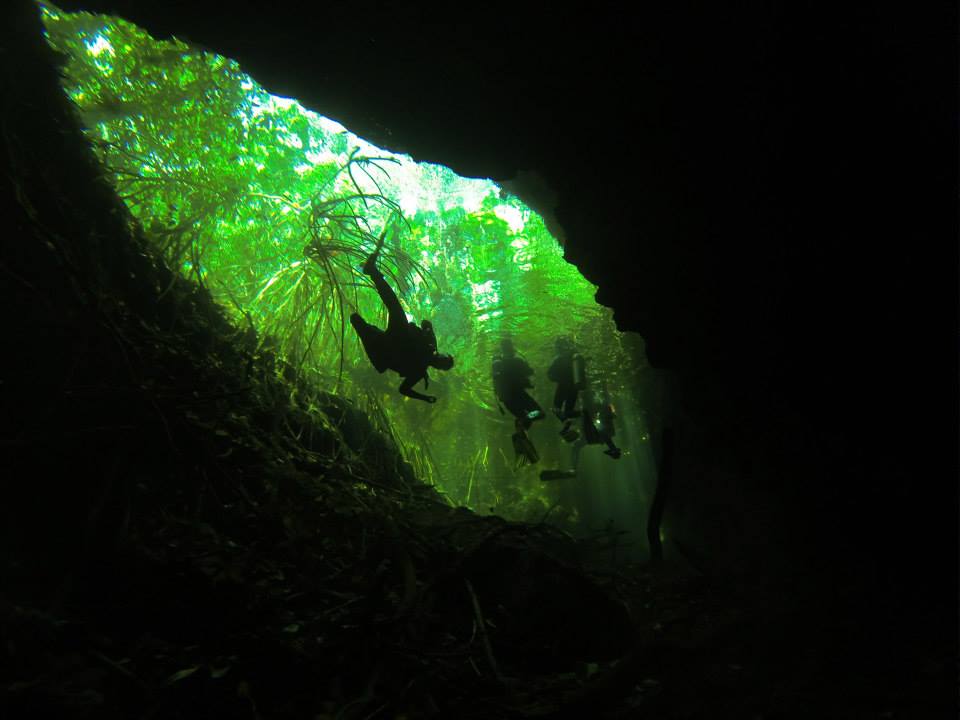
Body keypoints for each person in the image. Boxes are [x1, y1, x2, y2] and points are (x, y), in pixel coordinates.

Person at [350, 249, 454, 402]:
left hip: (386, 349)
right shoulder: (428, 351)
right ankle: (372, 271)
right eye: (443, 359)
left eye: (442, 363)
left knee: (357, 319)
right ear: (442, 355)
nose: (440, 360)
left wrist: (425, 398)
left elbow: (403, 389)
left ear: (438, 367)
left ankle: (372, 272)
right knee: (394, 307)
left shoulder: (420, 368)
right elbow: (426, 323)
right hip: (398, 336)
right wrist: (429, 340)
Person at [492, 337, 544, 464]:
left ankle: (520, 430)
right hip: (518, 395)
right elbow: (529, 373)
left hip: (506, 400)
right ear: (511, 347)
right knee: (539, 413)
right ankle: (522, 422)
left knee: (526, 421)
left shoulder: (498, 363)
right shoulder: (517, 361)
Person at [547, 336, 584, 442]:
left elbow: (550, 374)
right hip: (574, 387)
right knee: (568, 411)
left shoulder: (558, 359)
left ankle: (567, 421)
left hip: (563, 386)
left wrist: (557, 378)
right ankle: (582, 414)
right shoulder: (574, 356)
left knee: (556, 408)